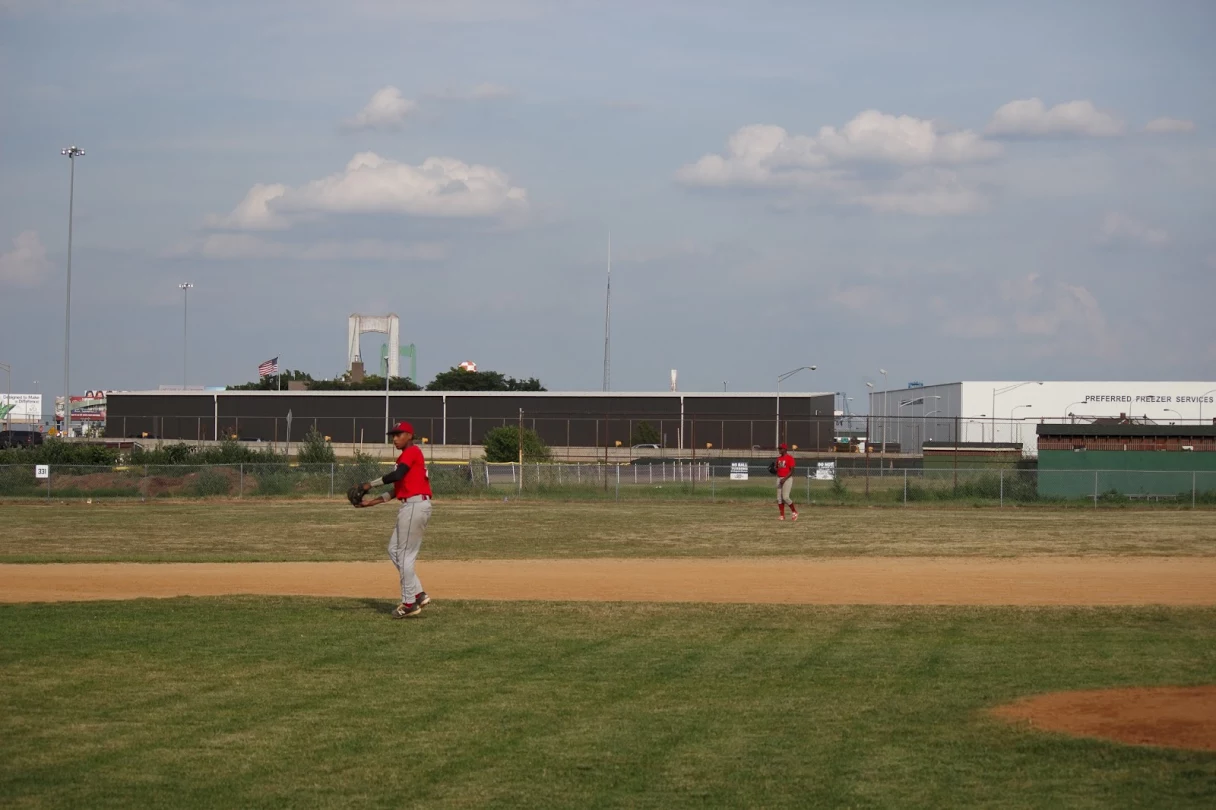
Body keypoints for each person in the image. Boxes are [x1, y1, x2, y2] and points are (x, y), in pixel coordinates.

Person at [356, 421, 433, 618]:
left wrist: (369, 485)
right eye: (393, 435)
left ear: (409, 435)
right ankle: (418, 593)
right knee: (394, 550)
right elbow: (396, 490)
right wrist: (369, 503)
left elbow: (397, 475)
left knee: (405, 555)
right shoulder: (405, 458)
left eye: (399, 435)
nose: (395, 439)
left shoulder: (412, 452)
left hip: (415, 506)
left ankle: (409, 603)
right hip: (411, 504)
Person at [775, 443, 798, 521]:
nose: (779, 450)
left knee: (785, 497)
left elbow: (792, 471)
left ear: (785, 449)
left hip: (787, 479)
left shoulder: (789, 458)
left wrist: (784, 479)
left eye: (781, 449)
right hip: (779, 478)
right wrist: (774, 468)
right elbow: (777, 468)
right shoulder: (778, 459)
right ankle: (782, 515)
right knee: (779, 498)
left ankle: (794, 512)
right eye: (779, 448)